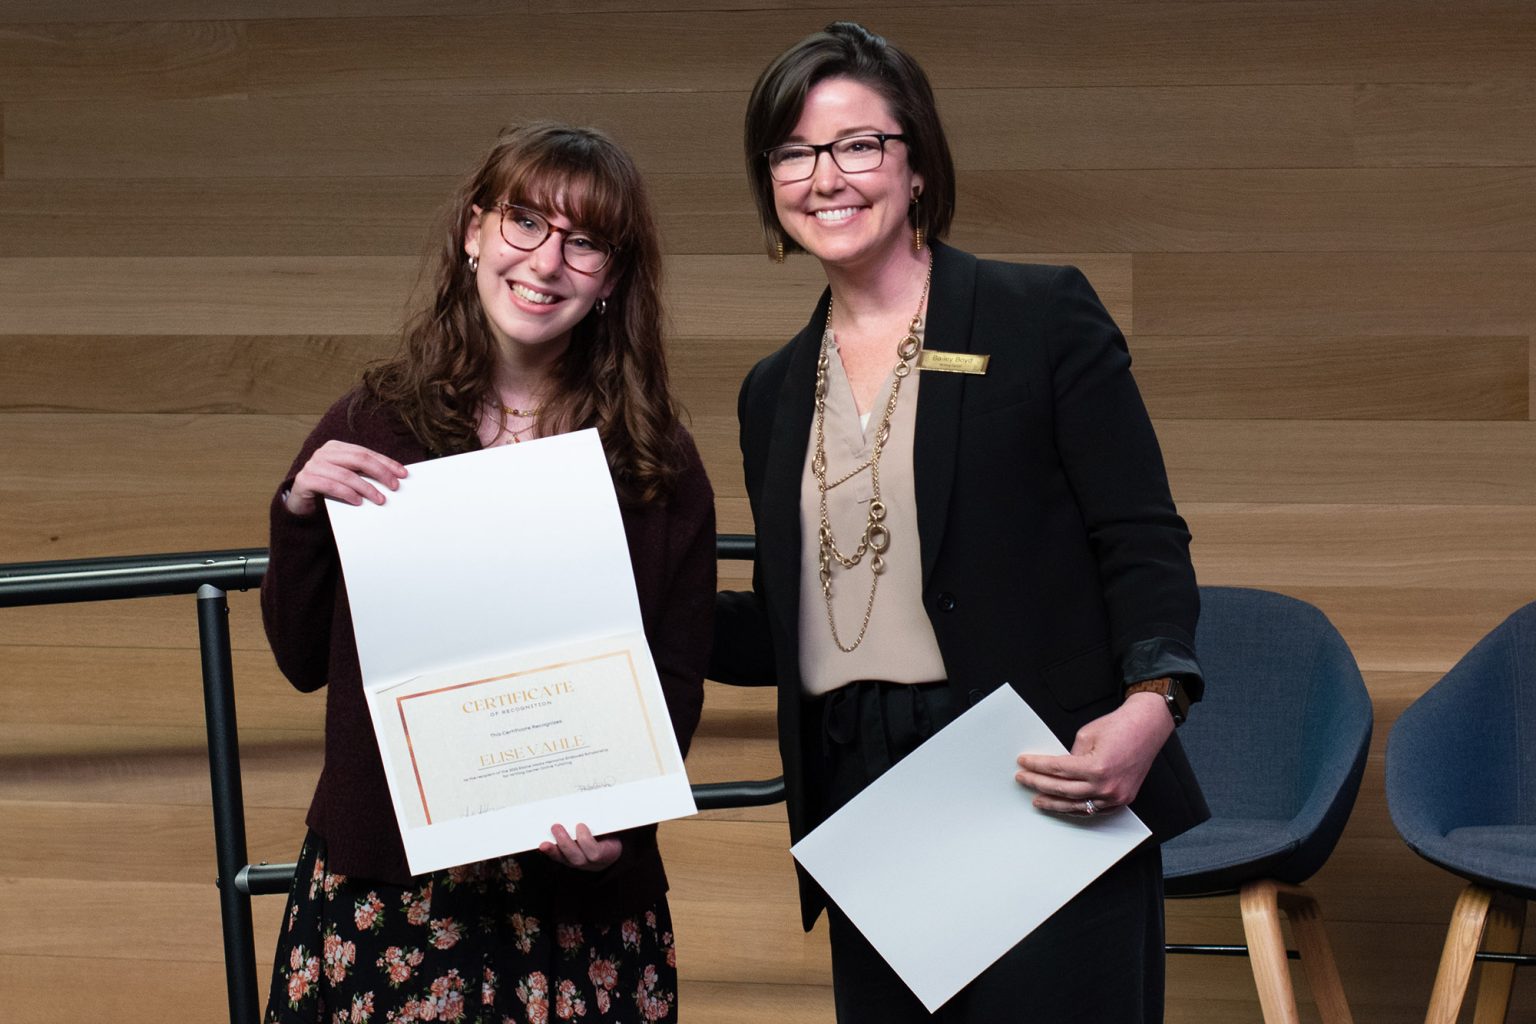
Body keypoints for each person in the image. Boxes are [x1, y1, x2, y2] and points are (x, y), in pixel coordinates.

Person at [712, 22, 1207, 1023]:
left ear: (919, 166)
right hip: (867, 798)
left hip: (1038, 772)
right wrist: (617, 593)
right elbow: (783, 626)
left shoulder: (1039, 315)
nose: (826, 176)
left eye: (858, 144)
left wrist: (1153, 703)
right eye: (795, 153)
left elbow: (1140, 536)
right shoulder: (770, 392)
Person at [259, 122, 715, 1024]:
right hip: (388, 896)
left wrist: (618, 830)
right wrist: (300, 515)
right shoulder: (371, 423)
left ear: (612, 278)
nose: (547, 262)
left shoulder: (655, 461)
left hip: (574, 911)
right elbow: (301, 656)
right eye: (525, 224)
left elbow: (669, 678)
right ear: (473, 232)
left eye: (584, 242)